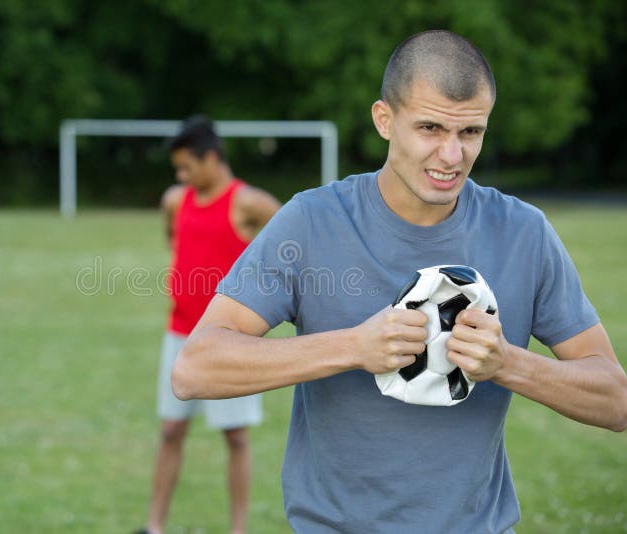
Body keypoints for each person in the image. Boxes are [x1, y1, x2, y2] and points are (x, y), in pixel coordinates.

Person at [171, 31, 627, 533]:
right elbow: (195, 368)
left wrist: (508, 363)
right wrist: (353, 346)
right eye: (430, 127)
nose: (451, 155)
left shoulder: (524, 233)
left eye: (471, 132)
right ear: (384, 120)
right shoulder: (311, 222)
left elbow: (615, 400)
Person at [136, 115, 280, 534]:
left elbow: (292, 245)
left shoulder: (248, 203)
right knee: (170, 430)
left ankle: (238, 529)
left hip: (230, 340)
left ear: (211, 158)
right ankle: (154, 526)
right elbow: (174, 240)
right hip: (179, 333)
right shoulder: (175, 200)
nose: (181, 176)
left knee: (235, 436)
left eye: (187, 167)